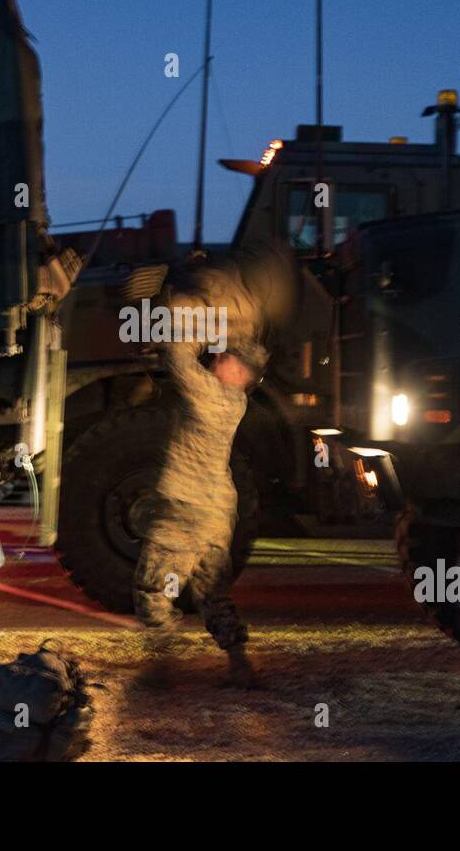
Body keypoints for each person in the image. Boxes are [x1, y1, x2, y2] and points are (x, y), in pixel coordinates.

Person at [132, 244, 293, 687]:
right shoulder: (236, 402)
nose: (219, 358)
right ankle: (239, 661)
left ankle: (163, 661)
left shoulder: (210, 395)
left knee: (153, 590)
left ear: (240, 373)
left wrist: (174, 303)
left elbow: (179, 359)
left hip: (185, 507)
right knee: (211, 593)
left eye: (227, 359)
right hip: (217, 514)